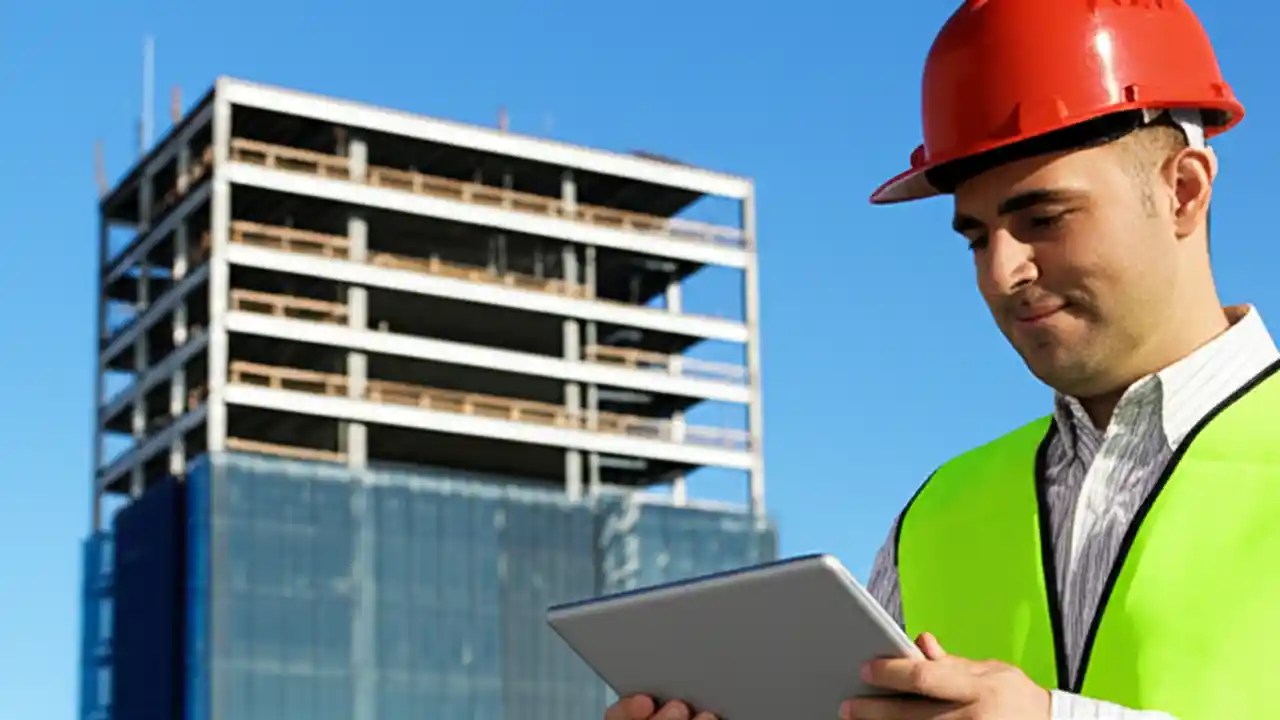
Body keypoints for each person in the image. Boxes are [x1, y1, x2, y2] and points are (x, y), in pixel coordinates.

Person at [602, 1, 1280, 719]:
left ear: (1183, 191)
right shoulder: (933, 520)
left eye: (1043, 220)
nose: (1001, 271)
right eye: (976, 238)